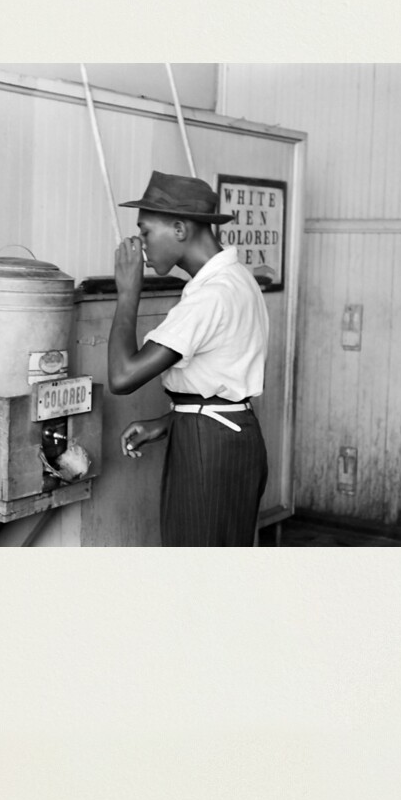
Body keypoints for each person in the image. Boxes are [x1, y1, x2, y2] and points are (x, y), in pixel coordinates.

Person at [107, 171, 269, 546]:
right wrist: (170, 421)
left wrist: (128, 292)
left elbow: (122, 376)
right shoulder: (237, 279)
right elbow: (222, 379)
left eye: (145, 232)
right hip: (229, 434)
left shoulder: (211, 295)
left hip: (209, 447)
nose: (141, 245)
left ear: (179, 229)